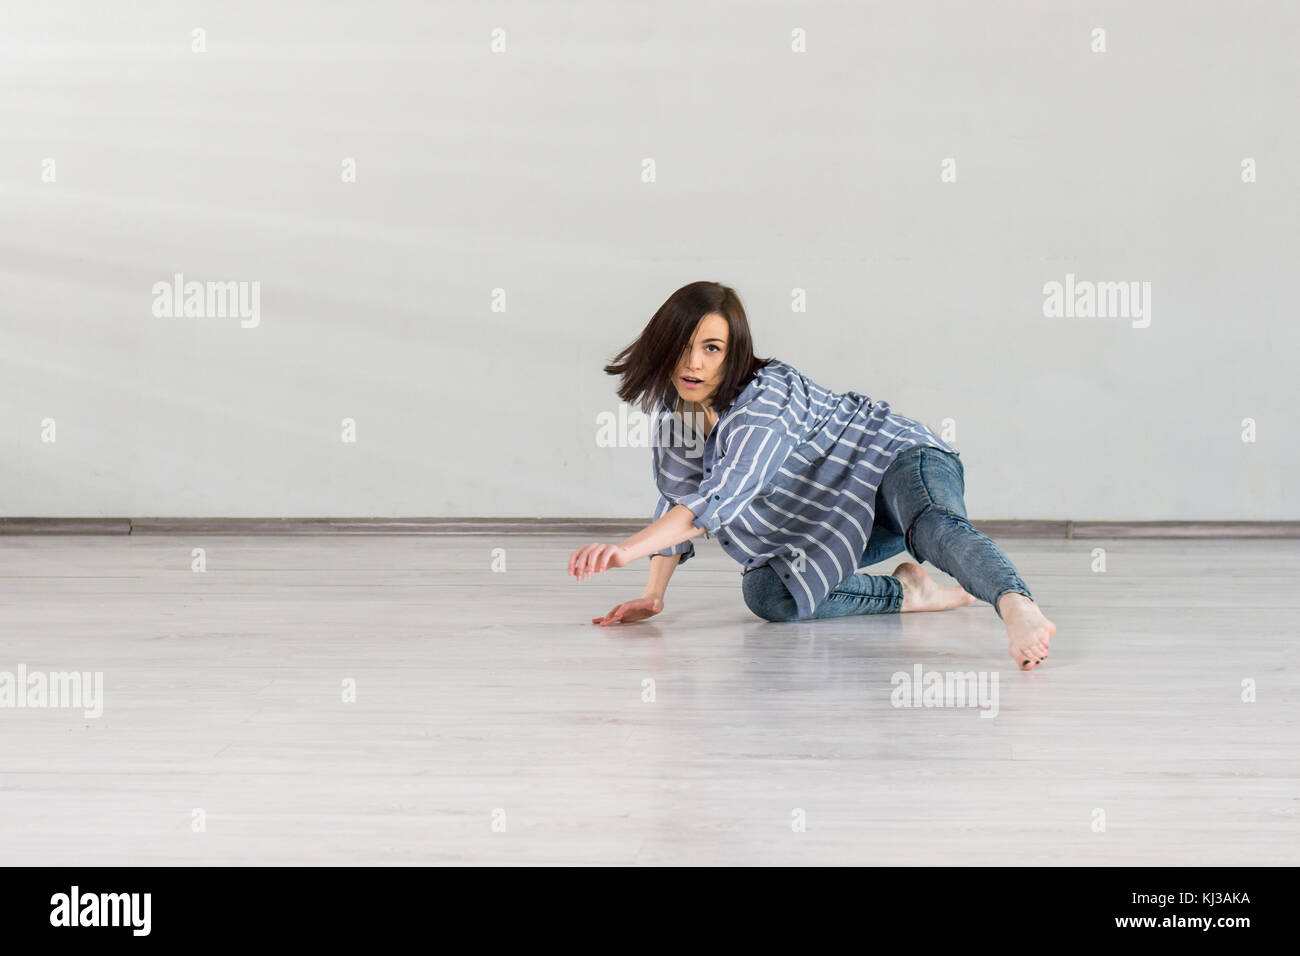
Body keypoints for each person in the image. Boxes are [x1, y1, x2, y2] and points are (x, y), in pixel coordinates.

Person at [567, 281, 1056, 670]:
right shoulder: (677, 420)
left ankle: (1017, 606)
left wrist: (624, 551)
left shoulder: (765, 402)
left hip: (899, 459)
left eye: (712, 348)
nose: (694, 362)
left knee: (929, 524)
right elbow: (679, 498)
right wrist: (654, 595)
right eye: (684, 345)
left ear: (733, 352)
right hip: (844, 515)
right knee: (769, 593)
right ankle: (912, 593)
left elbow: (715, 503)